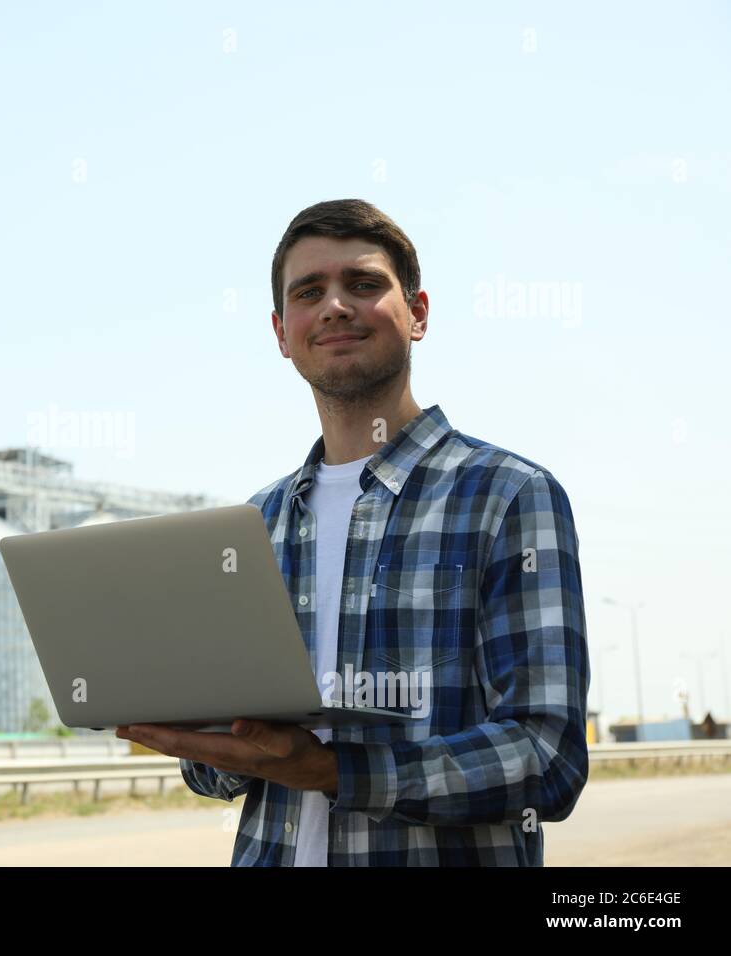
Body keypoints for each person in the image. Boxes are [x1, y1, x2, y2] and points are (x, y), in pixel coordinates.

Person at [115, 199, 589, 866]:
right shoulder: (253, 527)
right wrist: (201, 743)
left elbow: (548, 759)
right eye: (309, 293)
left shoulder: (508, 496)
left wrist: (335, 771)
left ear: (418, 313)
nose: (335, 305)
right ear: (282, 332)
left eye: (363, 284)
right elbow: (221, 771)